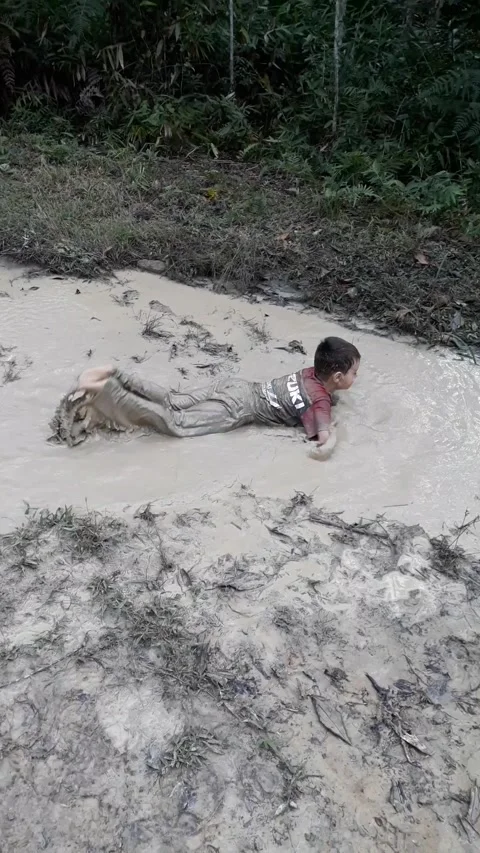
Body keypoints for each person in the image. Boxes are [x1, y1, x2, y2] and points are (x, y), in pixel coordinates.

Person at [76, 336, 360, 451]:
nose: (355, 378)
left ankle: (114, 373)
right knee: (176, 423)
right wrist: (333, 430)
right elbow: (322, 441)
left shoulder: (308, 373)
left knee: (173, 400)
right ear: (337, 377)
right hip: (239, 408)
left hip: (238, 386)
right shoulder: (320, 401)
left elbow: (306, 395)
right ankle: (106, 391)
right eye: (354, 373)